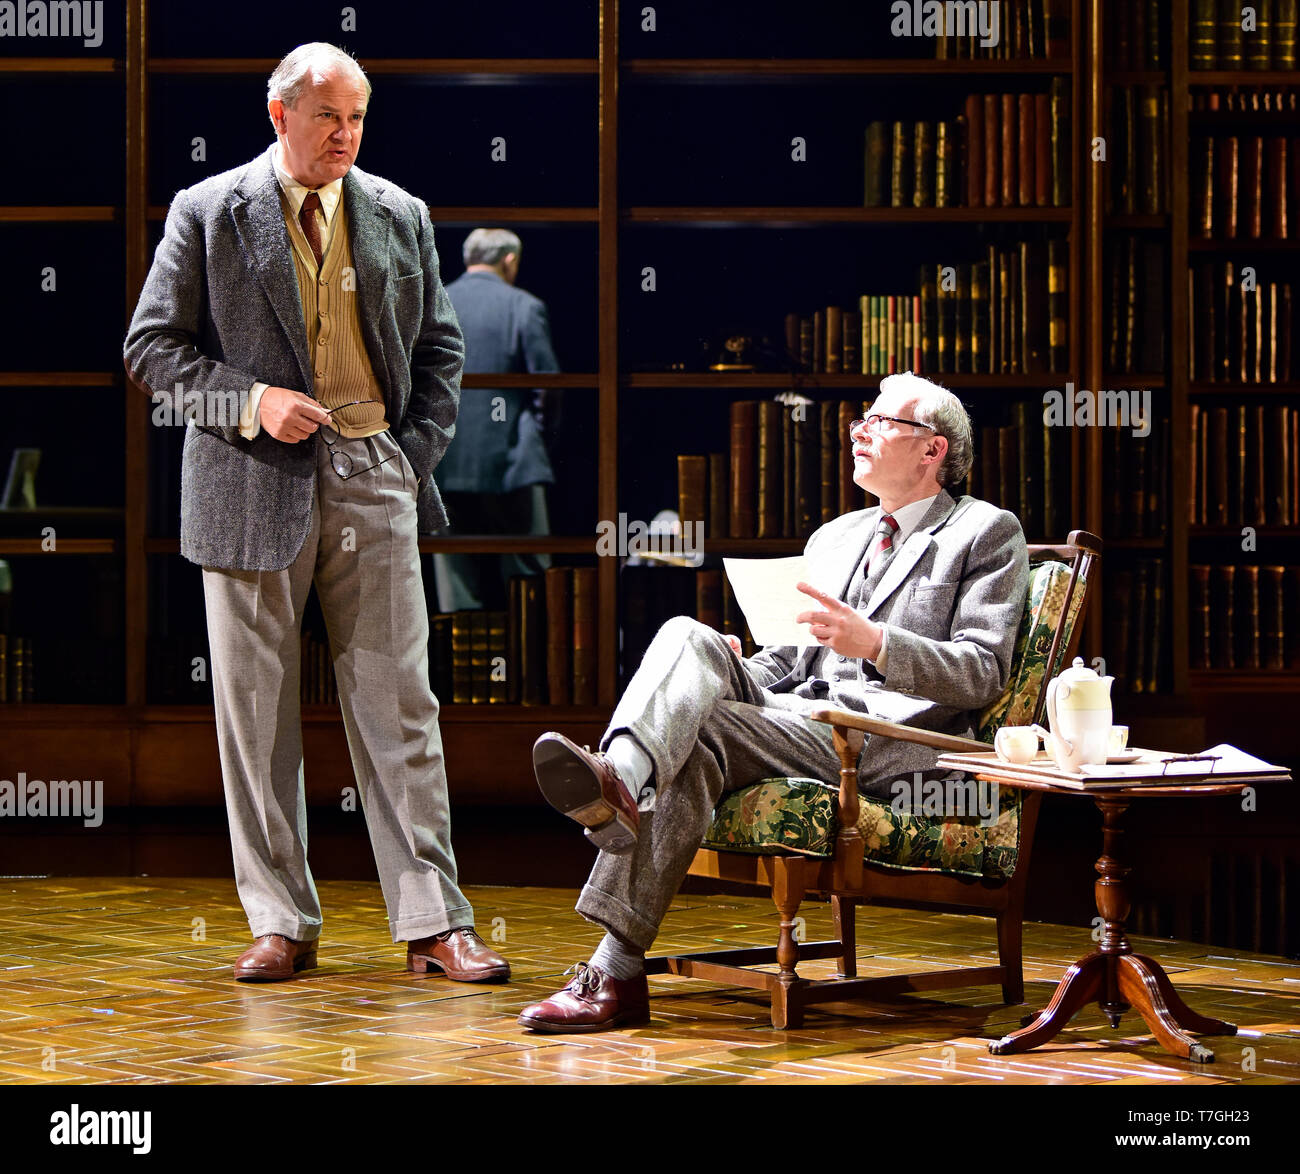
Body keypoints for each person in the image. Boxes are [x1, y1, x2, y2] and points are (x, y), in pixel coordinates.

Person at [124, 42, 508, 984]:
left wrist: (406, 457)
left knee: (401, 708)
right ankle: (280, 920)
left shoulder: (397, 213)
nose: (346, 135)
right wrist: (252, 400)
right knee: (254, 719)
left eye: (358, 118)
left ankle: (433, 924)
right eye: (329, 116)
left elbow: (441, 354)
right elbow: (151, 350)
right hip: (249, 479)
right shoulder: (209, 213)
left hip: (374, 474)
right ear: (279, 114)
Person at [519, 371, 1028, 1031]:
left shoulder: (984, 533)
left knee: (705, 733)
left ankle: (612, 964)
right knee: (690, 641)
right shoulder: (836, 538)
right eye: (862, 420)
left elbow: (983, 672)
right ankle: (618, 783)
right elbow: (791, 660)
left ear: (933, 450)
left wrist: (875, 642)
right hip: (798, 717)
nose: (861, 432)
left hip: (881, 743)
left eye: (882, 423)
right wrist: (734, 666)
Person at [432, 228, 560, 612]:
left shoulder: (436, 303)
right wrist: (535, 436)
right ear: (509, 260)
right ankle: (530, 665)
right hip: (514, 461)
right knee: (529, 570)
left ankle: (462, 666)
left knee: (456, 576)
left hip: (446, 460)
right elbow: (549, 385)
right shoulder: (524, 305)